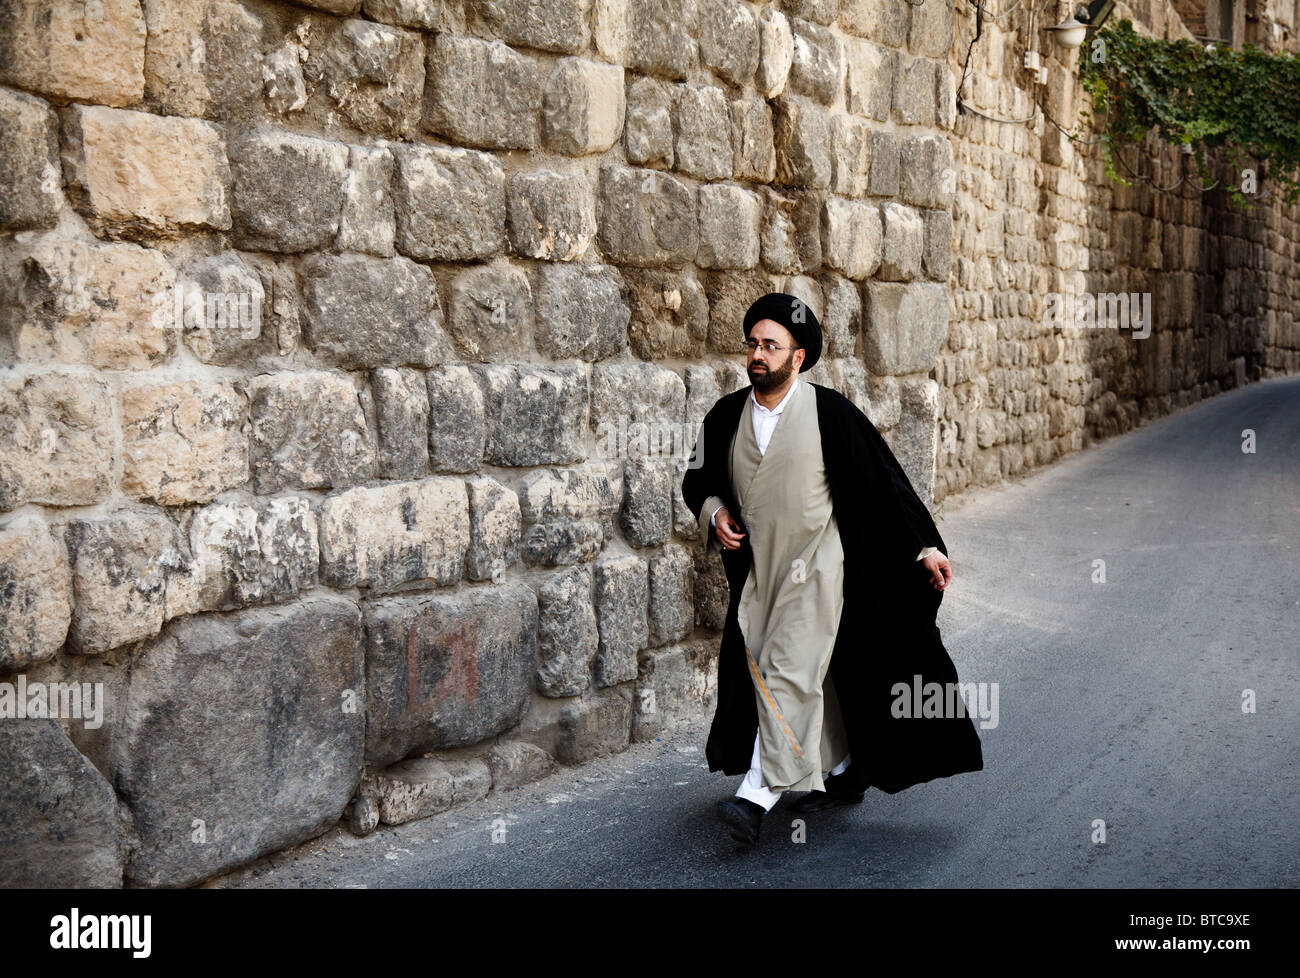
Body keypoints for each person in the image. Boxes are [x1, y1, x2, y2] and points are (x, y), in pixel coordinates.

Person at [681, 292, 984, 848]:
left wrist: (922, 547)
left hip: (817, 570)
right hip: (757, 575)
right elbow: (696, 480)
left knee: (787, 667)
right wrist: (714, 511)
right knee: (813, 674)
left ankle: (757, 795)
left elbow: (884, 487)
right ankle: (843, 765)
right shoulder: (726, 416)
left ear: (798, 357)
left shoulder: (831, 415)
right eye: (754, 343)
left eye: (771, 346)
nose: (758, 354)